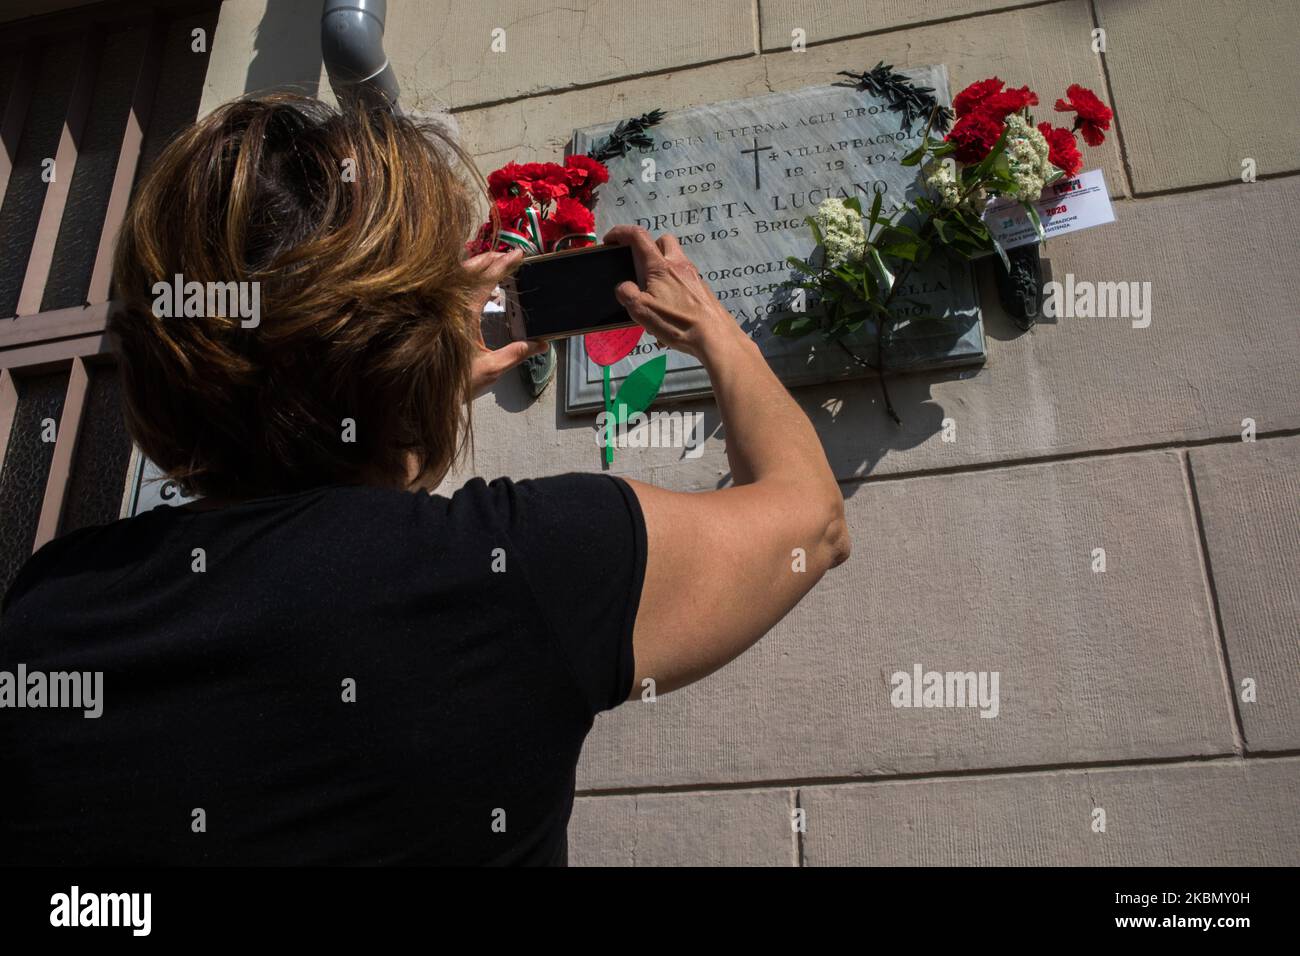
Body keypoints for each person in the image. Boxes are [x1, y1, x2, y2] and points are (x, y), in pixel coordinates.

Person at [0, 95, 849, 866]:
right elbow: (810, 520)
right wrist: (711, 327)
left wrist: (398, 395)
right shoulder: (519, 571)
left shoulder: (50, 612)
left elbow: (314, 557)